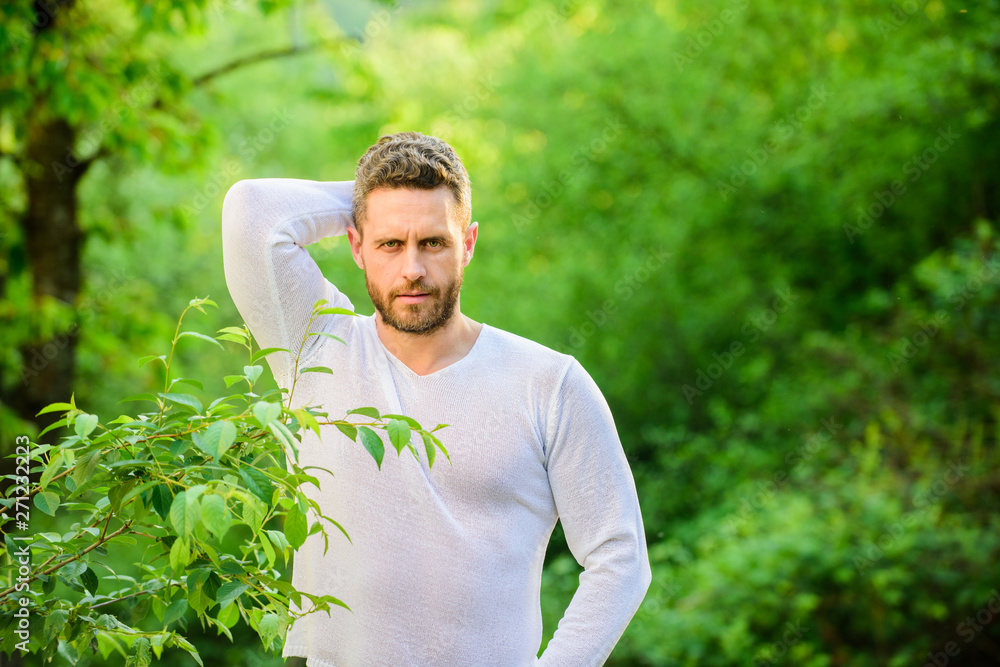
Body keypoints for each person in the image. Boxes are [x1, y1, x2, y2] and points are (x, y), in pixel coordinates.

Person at [221, 131, 651, 666]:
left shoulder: (550, 384)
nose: (412, 270)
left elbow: (620, 556)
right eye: (389, 244)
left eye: (433, 241)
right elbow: (252, 211)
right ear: (355, 246)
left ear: (467, 243)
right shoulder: (316, 347)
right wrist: (367, 196)